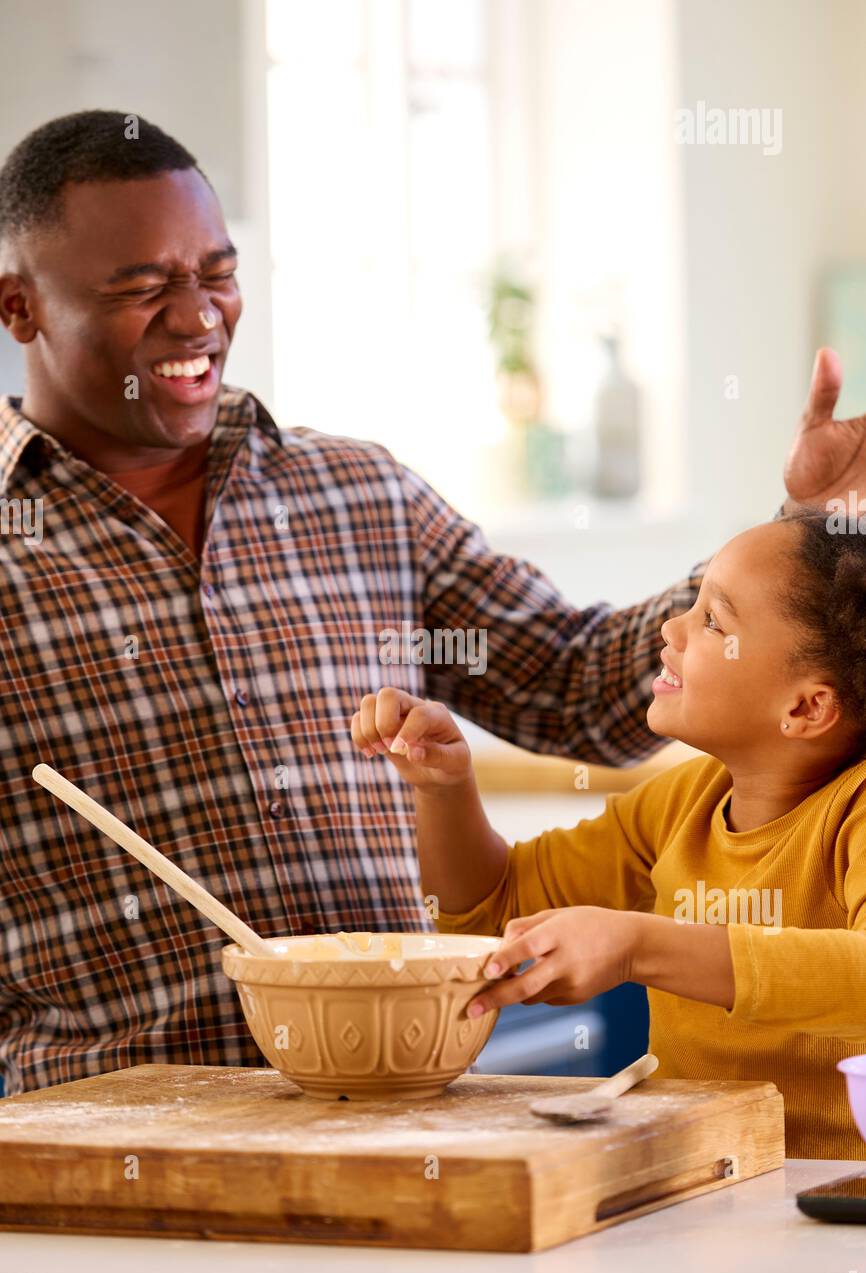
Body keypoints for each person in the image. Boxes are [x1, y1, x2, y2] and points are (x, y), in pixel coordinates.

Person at [0, 109, 862, 1097]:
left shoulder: (358, 493)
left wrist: (807, 529)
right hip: (107, 1130)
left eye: (217, 274)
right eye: (143, 287)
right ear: (20, 307)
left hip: (402, 1110)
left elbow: (580, 688)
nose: (197, 316)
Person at [351, 513, 866, 1158]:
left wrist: (639, 946)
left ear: (805, 708)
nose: (670, 628)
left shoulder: (855, 810)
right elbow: (496, 907)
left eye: (713, 621)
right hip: (701, 1193)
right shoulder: (684, 801)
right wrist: (445, 789)